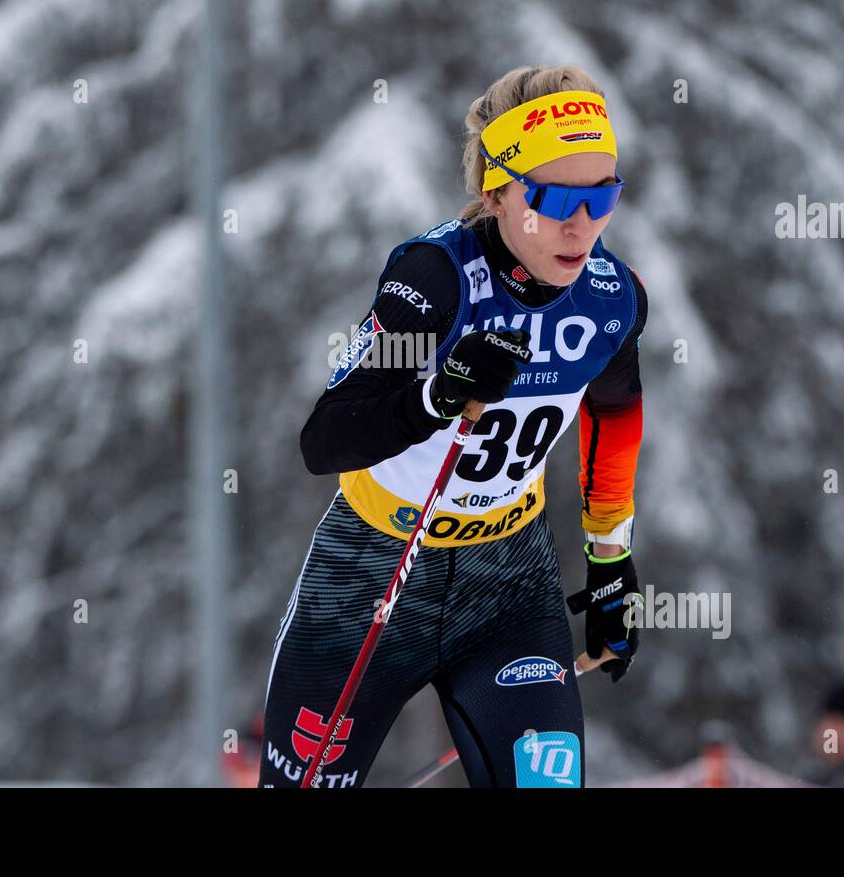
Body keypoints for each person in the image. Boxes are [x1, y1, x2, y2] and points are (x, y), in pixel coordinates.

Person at [259, 65, 648, 788]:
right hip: (371, 571)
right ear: (496, 193)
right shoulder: (433, 281)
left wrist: (609, 564)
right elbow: (326, 440)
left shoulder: (609, 298)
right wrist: (437, 393)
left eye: (602, 198)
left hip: (509, 582)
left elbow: (614, 416)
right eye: (556, 199)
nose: (581, 226)